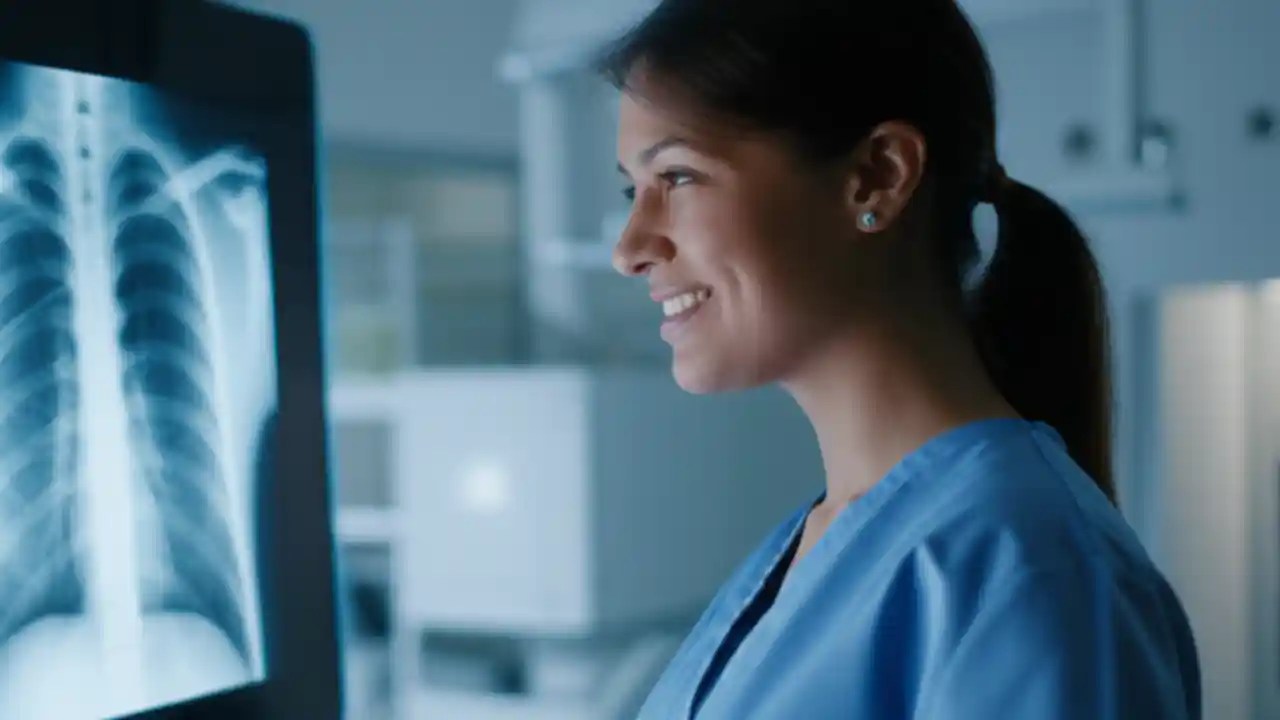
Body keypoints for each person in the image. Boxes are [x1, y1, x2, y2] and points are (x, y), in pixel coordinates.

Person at [600, 1, 1201, 718]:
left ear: (877, 176)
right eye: (633, 191)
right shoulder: (820, 548)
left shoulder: (1032, 572)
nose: (629, 248)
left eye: (679, 178)